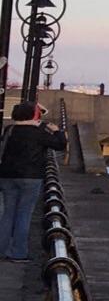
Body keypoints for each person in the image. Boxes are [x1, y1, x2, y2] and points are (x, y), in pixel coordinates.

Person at [1, 103, 67, 260]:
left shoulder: (9, 130)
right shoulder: (38, 132)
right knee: (24, 214)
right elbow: (60, 145)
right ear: (33, 115)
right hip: (31, 177)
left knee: (8, 213)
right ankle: (18, 252)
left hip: (7, 176)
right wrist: (57, 131)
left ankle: (2, 250)